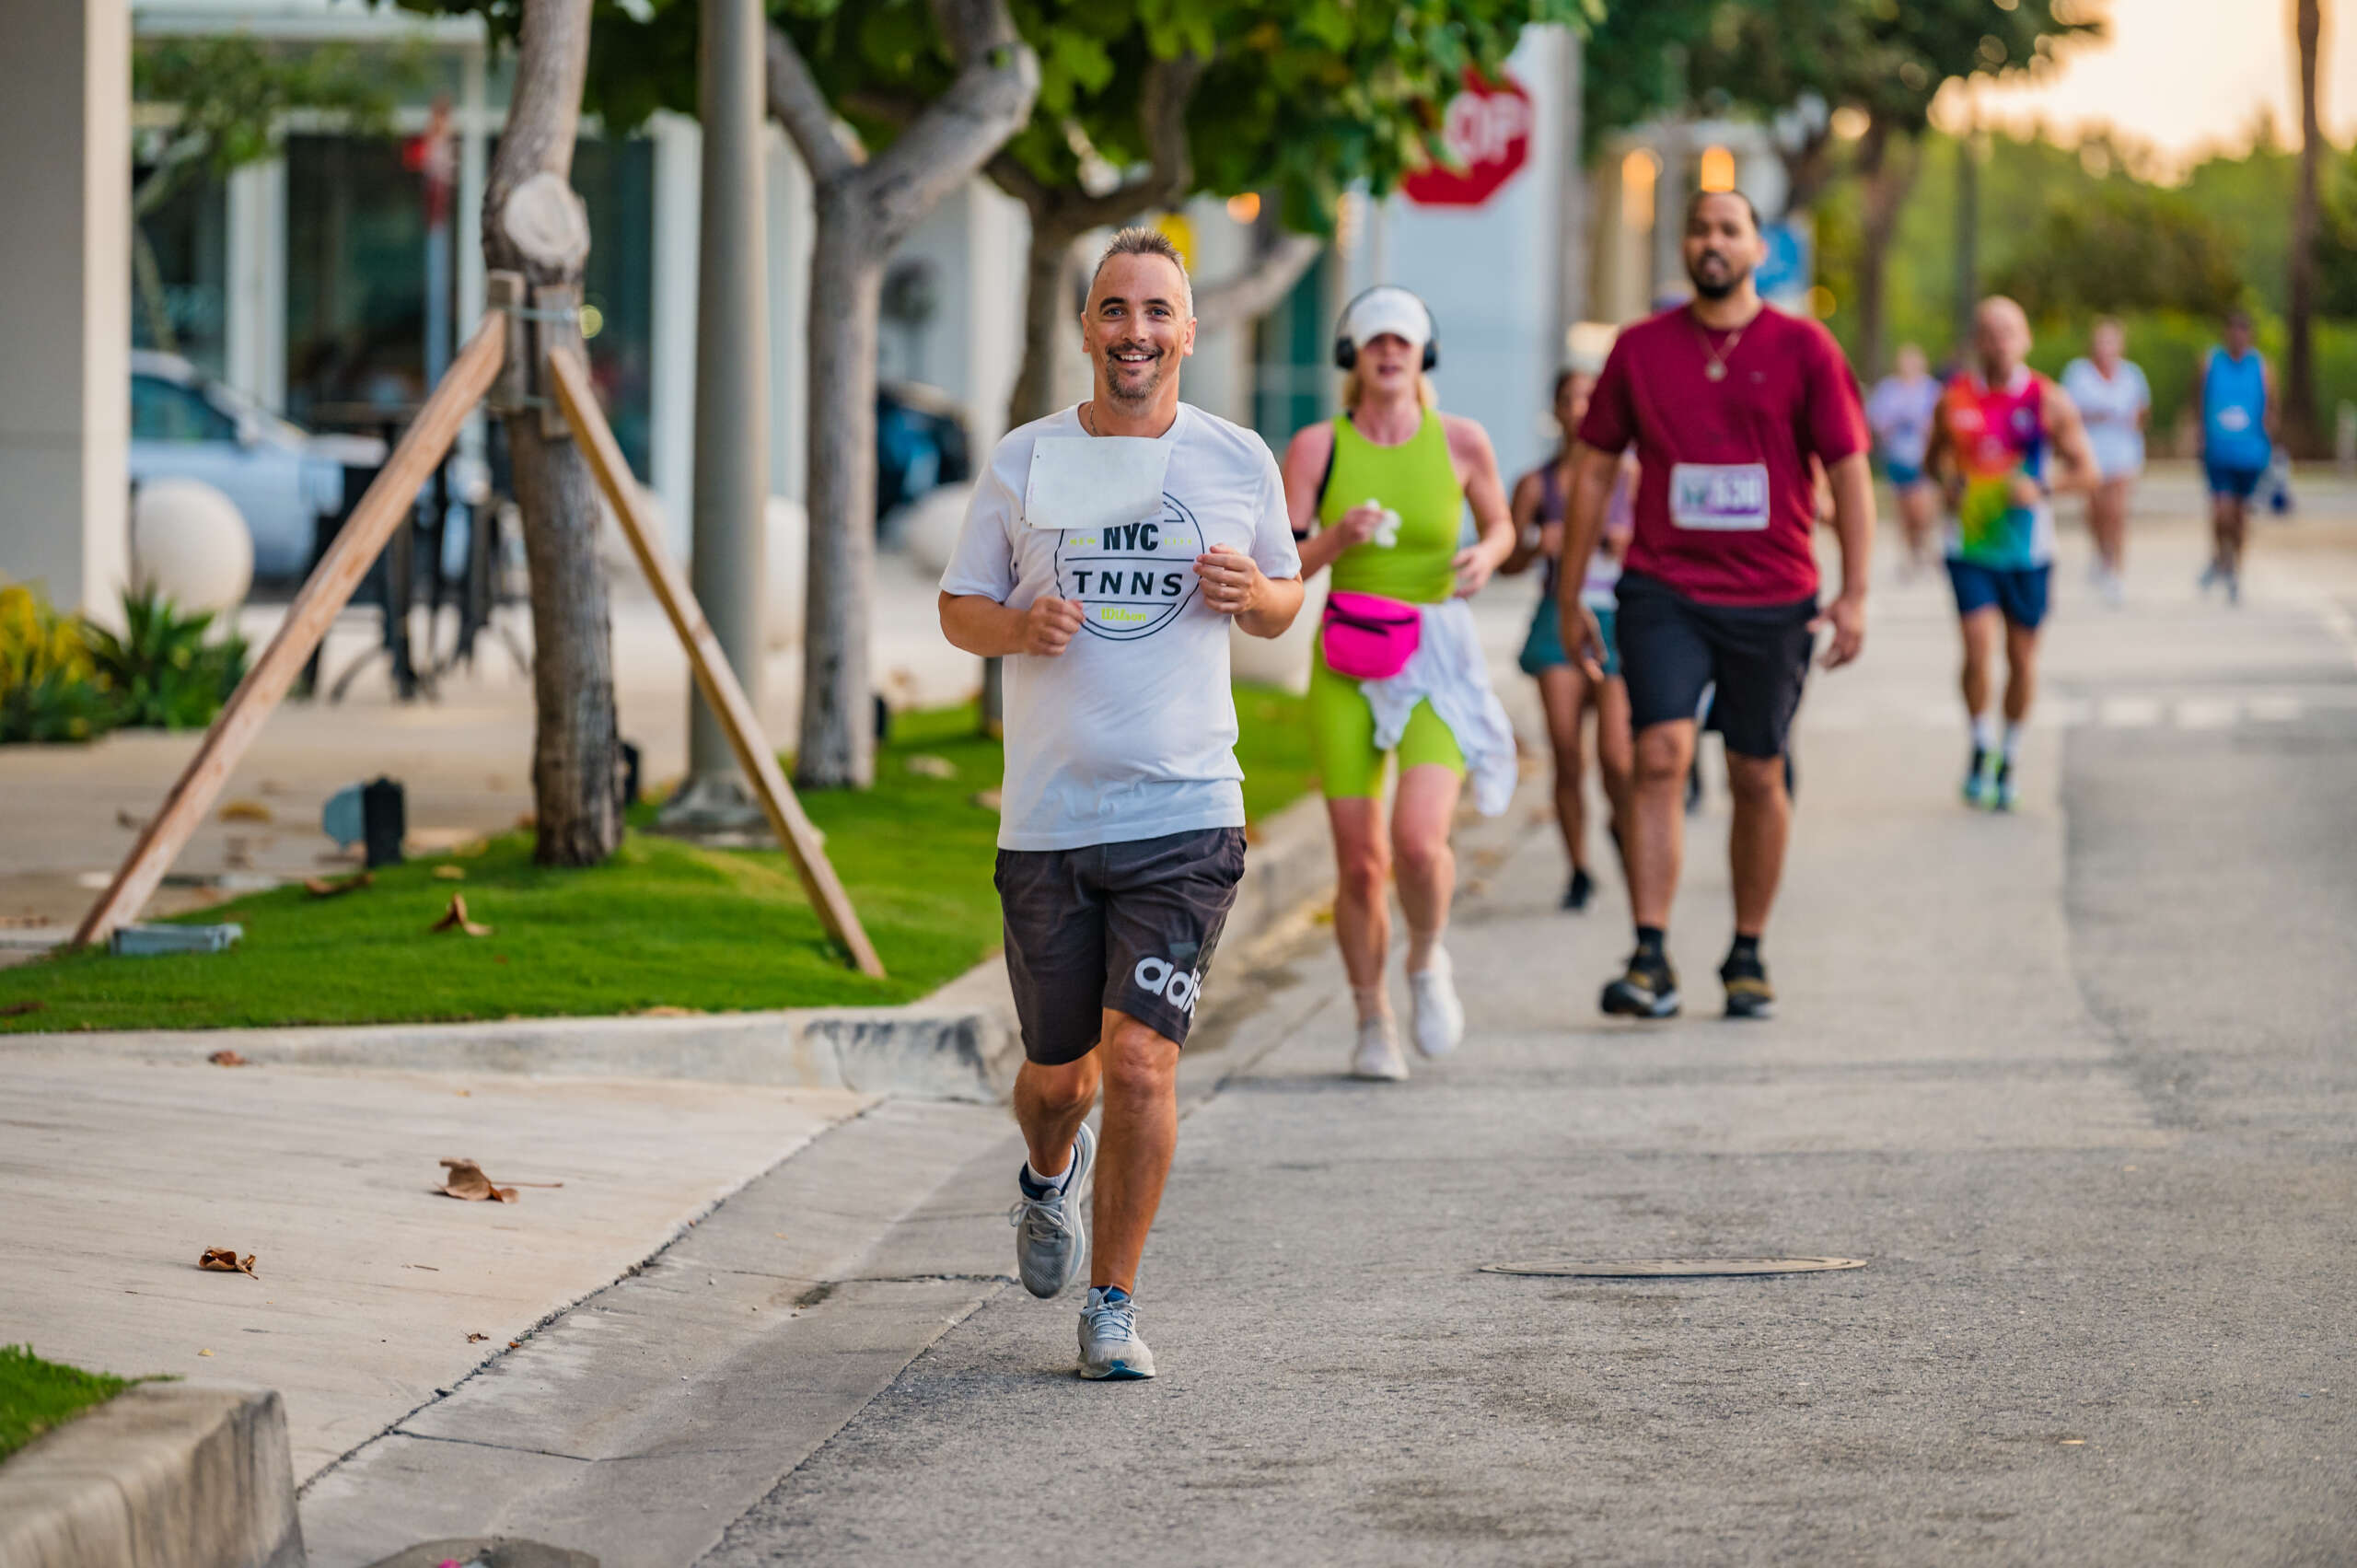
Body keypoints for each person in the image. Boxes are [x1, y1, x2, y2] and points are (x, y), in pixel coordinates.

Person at [937, 228, 1305, 1380]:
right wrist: (1017, 625)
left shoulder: (1236, 459)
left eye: (1157, 311)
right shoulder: (1026, 460)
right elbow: (959, 607)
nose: (1135, 331)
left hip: (1186, 808)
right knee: (1059, 1077)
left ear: (1189, 331)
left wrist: (1256, 593)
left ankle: (1112, 1302)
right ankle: (1049, 1175)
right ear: (1086, 327)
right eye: (1114, 309)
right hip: (1050, 818)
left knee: (1141, 1060)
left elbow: (1285, 596)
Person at [1559, 188, 1875, 1022]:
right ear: (1685, 245)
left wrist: (1856, 593)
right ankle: (1651, 951)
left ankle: (1747, 949)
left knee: (1755, 769)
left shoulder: (1804, 348)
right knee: (1655, 753)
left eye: (1729, 229)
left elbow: (1849, 471)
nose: (1712, 241)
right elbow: (1593, 469)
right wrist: (1568, 593)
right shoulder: (1640, 348)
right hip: (1663, 587)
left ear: (1757, 249)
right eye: (1699, 227)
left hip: (1773, 594)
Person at [1280, 285, 1518, 1081]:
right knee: (1359, 862)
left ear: (1424, 356)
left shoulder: (1462, 441)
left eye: (1404, 342)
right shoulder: (1320, 446)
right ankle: (1370, 1016)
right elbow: (1278, 566)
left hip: (1435, 655)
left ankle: (1424, 958)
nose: (1390, 352)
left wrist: (1486, 557)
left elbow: (1502, 526)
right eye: (1375, 341)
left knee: (1418, 842)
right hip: (1347, 655)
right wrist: (1333, 538)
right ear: (1353, 355)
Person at [1924, 296, 2098, 812]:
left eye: (2008, 331)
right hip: (1970, 546)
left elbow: (2087, 471)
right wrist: (1949, 483)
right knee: (1977, 649)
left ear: (2025, 339)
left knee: (2021, 659)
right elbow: (1931, 461)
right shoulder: (1952, 399)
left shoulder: (2048, 400)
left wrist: (2043, 488)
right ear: (1976, 341)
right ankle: (1980, 744)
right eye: (1988, 331)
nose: (1998, 341)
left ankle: (2011, 753)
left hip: (2029, 552)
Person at [1502, 366, 1633, 912]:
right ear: (1555, 411)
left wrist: (1630, 544)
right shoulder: (1538, 483)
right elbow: (1506, 559)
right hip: (1560, 617)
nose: (1579, 408)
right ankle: (1578, 866)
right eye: (1569, 399)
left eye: (1589, 398)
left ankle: (1628, 834)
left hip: (1620, 618)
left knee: (1617, 759)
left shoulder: (1633, 476)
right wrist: (1537, 545)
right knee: (1565, 748)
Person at [2061, 318, 2151, 606]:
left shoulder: (2132, 375)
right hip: (2090, 452)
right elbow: (2067, 413)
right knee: (2096, 511)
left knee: (2118, 512)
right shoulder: (2078, 373)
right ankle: (2101, 553)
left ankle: (2116, 572)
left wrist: (2132, 421)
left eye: (2112, 341)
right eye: (2102, 341)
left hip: (2123, 451)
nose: (2107, 347)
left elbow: (2142, 409)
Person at [2199, 310, 2275, 604]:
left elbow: (2272, 407)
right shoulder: (2210, 363)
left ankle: (2235, 570)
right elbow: (2198, 399)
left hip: (2251, 454)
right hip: (2218, 451)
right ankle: (2221, 556)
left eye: (2243, 331)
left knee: (2241, 516)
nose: (2238, 336)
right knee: (2221, 511)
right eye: (2233, 330)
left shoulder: (2262, 368)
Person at [1865, 343, 1944, 576]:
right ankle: (1911, 555)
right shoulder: (1888, 389)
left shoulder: (1932, 389)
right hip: (1897, 458)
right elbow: (1875, 420)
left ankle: (1922, 546)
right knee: (1905, 512)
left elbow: (1941, 423)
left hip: (1924, 459)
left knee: (1922, 510)